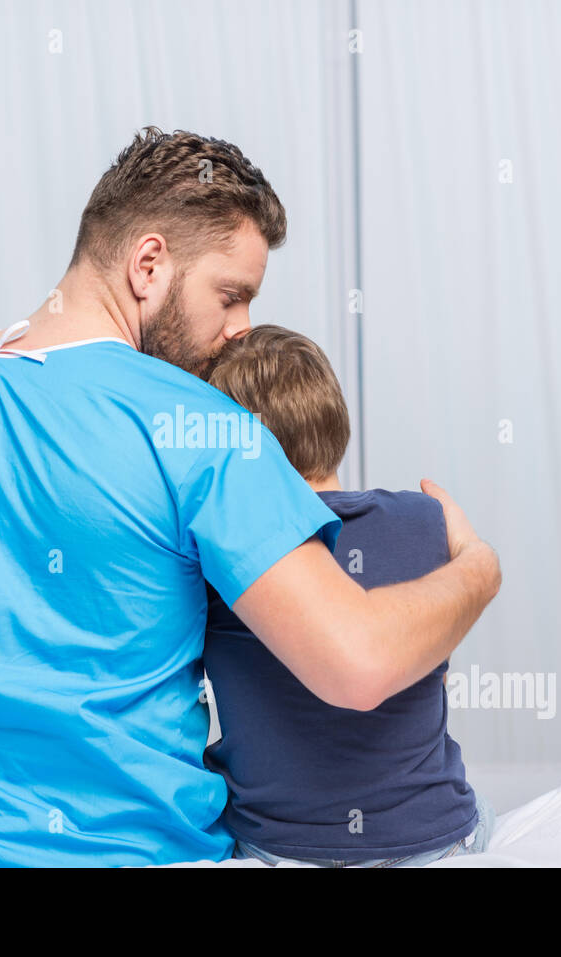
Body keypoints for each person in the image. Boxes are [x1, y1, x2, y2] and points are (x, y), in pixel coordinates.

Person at [0, 126, 501, 866]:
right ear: (149, 263)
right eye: (232, 294)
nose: (242, 329)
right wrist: (477, 566)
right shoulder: (200, 428)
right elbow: (357, 663)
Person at [203, 325, 494, 866]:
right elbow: (434, 667)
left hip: (278, 847)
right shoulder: (424, 519)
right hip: (433, 842)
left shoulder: (220, 550)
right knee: (485, 810)